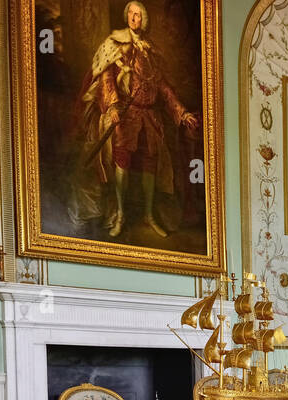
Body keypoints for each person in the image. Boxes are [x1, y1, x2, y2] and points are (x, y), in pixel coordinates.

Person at [80, 2, 199, 238]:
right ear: (127, 17)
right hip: (126, 114)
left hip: (150, 117)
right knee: (122, 162)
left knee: (149, 165)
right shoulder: (115, 44)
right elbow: (107, 78)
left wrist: (181, 112)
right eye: (132, 14)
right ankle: (121, 214)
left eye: (139, 15)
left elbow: (163, 87)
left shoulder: (150, 51)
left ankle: (148, 215)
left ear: (144, 19)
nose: (135, 19)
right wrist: (113, 106)